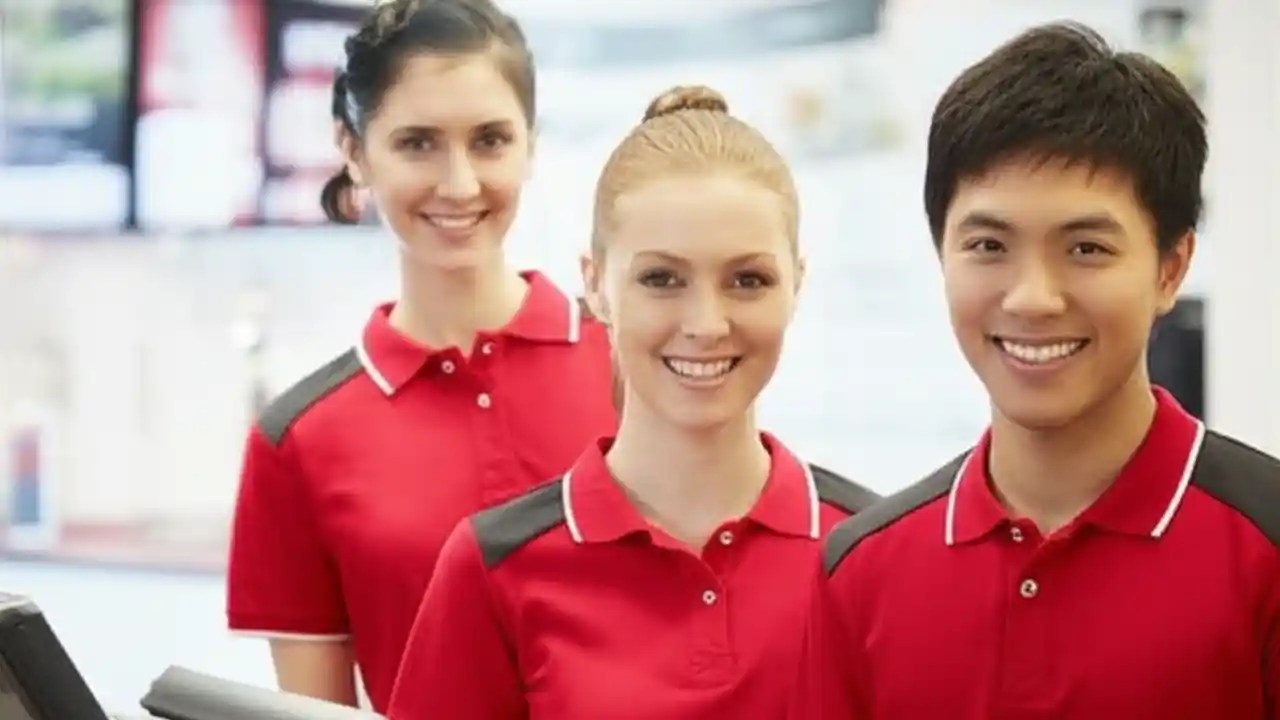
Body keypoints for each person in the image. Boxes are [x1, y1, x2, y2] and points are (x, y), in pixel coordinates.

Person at [788, 22, 1280, 720]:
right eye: (989, 245)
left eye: (1085, 248)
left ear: (1171, 267)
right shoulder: (863, 569)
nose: (1032, 298)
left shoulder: (1266, 548)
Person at [385, 85, 879, 720]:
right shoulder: (494, 564)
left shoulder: (875, 556)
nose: (706, 322)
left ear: (797, 285)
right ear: (596, 286)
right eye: (661, 280)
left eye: (747, 280)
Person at [225, 0, 617, 712]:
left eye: (491, 140)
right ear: (353, 150)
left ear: (531, 144)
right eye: (417, 143)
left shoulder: (633, 367)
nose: (460, 184)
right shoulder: (297, 443)